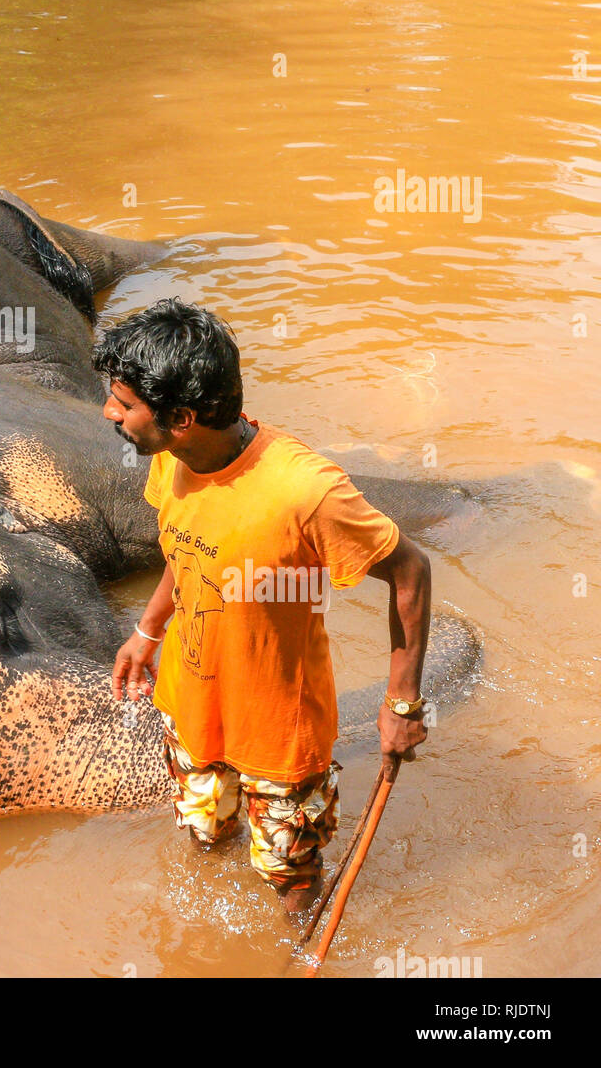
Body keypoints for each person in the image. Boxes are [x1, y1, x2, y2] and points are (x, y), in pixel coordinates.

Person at [94, 299, 430, 915]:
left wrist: (402, 702)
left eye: (124, 403)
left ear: (183, 417)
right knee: (203, 834)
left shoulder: (305, 492)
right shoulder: (175, 458)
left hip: (278, 732)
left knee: (289, 871)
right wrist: (147, 629)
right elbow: (186, 546)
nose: (109, 413)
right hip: (190, 704)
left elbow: (410, 569)